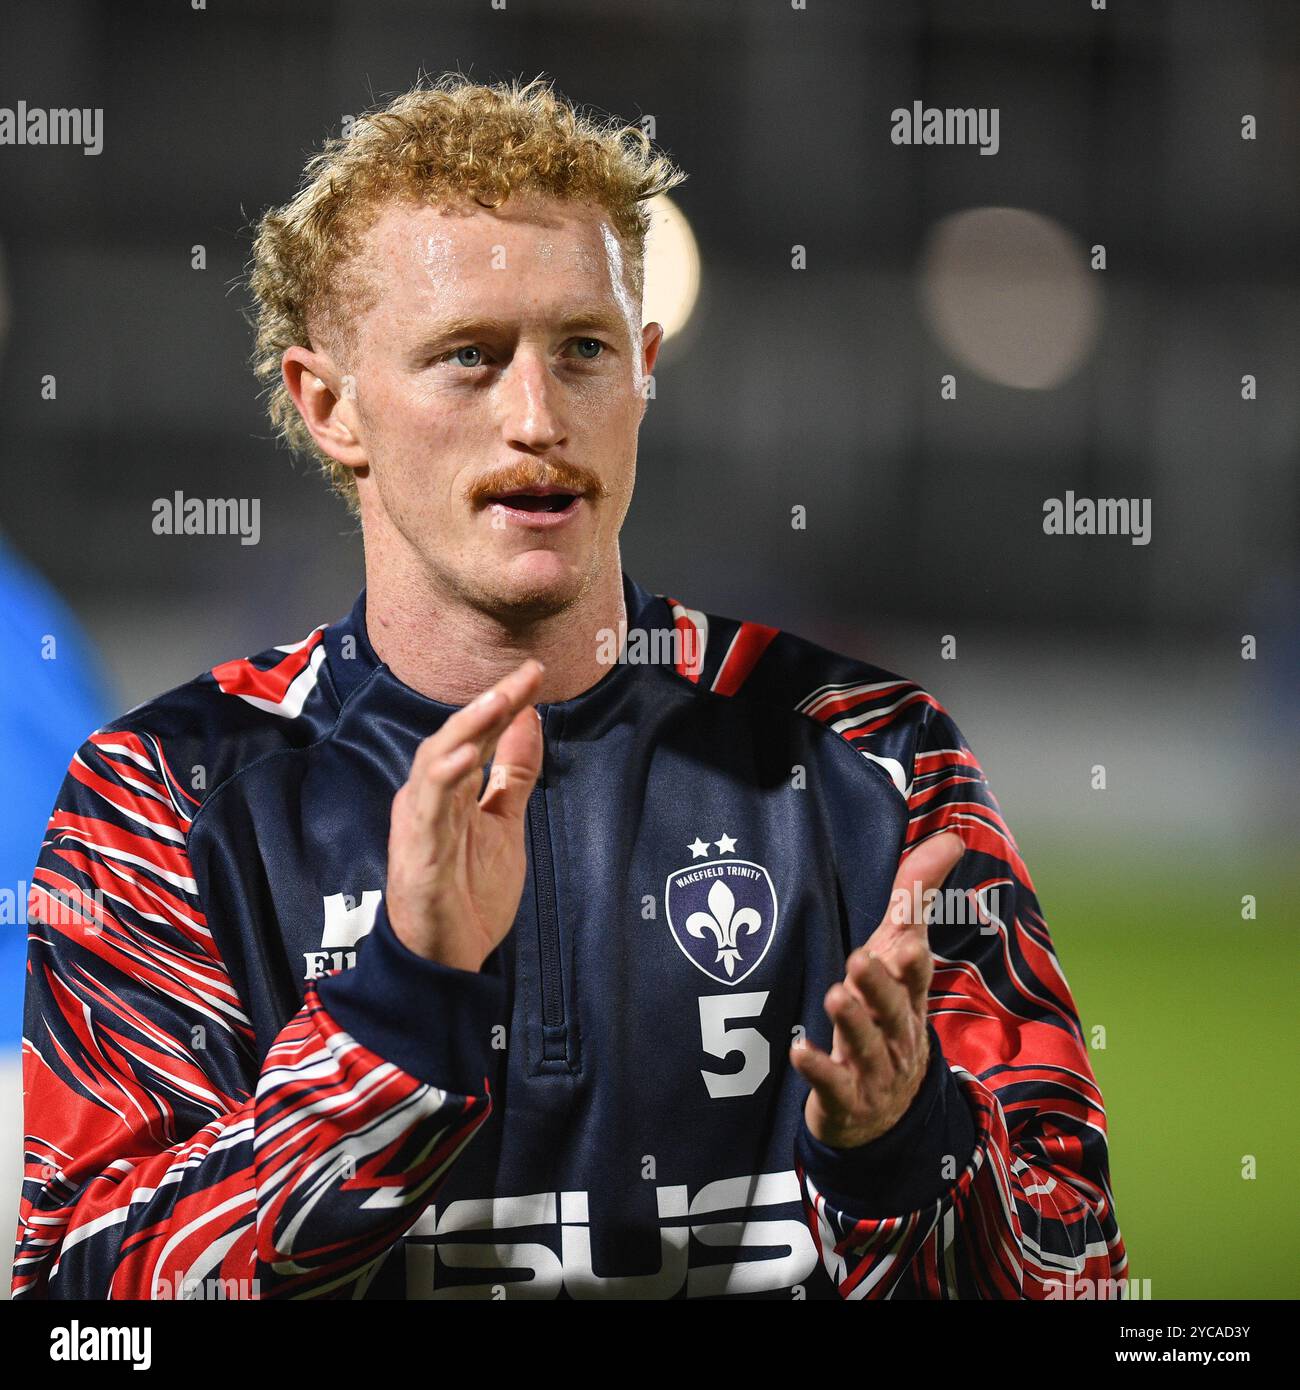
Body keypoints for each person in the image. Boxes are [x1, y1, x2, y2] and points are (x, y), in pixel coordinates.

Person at [12, 73, 1125, 1300]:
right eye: (469, 359)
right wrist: (396, 1013)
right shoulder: (166, 799)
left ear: (643, 370)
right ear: (329, 406)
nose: (538, 416)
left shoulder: (866, 759)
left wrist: (899, 1151)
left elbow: (1078, 1282)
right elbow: (84, 1315)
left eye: (583, 350)